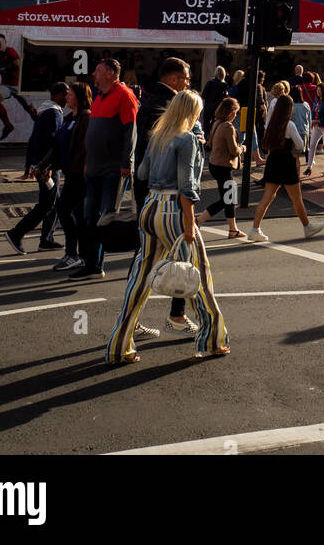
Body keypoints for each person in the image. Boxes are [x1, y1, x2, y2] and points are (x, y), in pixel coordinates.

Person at [105, 89, 228, 365]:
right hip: (174, 209)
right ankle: (213, 340)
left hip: (150, 206)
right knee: (198, 275)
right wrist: (188, 223)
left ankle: (119, 345)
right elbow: (188, 187)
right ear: (192, 112)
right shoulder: (188, 141)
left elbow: (142, 173)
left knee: (140, 276)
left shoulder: (158, 136)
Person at [132, 56, 197, 333]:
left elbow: (143, 167)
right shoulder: (169, 106)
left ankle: (130, 319)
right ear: (173, 79)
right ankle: (178, 316)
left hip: (148, 195)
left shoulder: (148, 101)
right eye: (185, 78)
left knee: (144, 260)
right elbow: (180, 176)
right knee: (186, 258)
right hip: (167, 199)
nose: (187, 83)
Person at [74, 58, 137, 280]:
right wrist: (87, 162)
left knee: (105, 217)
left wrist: (126, 163)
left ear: (110, 73)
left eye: (98, 71)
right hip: (94, 167)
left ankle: (96, 264)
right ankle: (91, 263)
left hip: (112, 169)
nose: (93, 74)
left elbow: (131, 131)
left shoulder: (125, 95)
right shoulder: (100, 97)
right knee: (90, 216)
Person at [3, 82, 68, 255]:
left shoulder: (44, 112)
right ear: (59, 95)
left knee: (55, 203)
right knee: (47, 205)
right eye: (66, 94)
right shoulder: (54, 114)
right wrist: (45, 166)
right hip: (48, 168)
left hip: (41, 165)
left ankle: (46, 239)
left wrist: (28, 165)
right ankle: (16, 233)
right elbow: (51, 143)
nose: (68, 98)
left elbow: (33, 140)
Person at [249, 96, 324, 241]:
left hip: (273, 161)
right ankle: (307, 226)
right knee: (296, 198)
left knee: (267, 197)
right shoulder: (289, 125)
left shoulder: (271, 123)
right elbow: (300, 144)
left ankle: (255, 228)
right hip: (286, 161)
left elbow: (265, 143)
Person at [40, 81, 91, 270]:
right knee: (78, 214)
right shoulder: (70, 118)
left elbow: (87, 147)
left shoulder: (86, 118)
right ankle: (83, 255)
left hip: (80, 175)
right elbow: (57, 146)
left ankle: (72, 253)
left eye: (70, 94)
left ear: (79, 96)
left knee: (63, 209)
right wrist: (44, 165)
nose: (66, 96)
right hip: (70, 172)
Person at [198, 96, 247, 238]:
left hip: (214, 164)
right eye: (235, 112)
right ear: (230, 112)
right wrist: (243, 148)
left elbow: (211, 143)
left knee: (228, 198)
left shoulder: (216, 123)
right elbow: (234, 150)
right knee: (228, 198)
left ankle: (233, 229)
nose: (236, 115)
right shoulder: (227, 127)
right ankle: (200, 220)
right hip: (223, 166)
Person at [303, 81, 324, 176]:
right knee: (312, 145)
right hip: (316, 126)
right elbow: (313, 110)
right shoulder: (317, 99)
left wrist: (318, 121)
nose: (318, 92)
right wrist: (312, 120)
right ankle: (309, 167)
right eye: (317, 90)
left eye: (320, 91)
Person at [200, 65, 228, 133]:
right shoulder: (224, 85)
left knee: (206, 124)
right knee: (215, 124)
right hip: (218, 107)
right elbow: (225, 96)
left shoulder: (210, 82)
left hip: (208, 106)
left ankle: (206, 139)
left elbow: (203, 95)